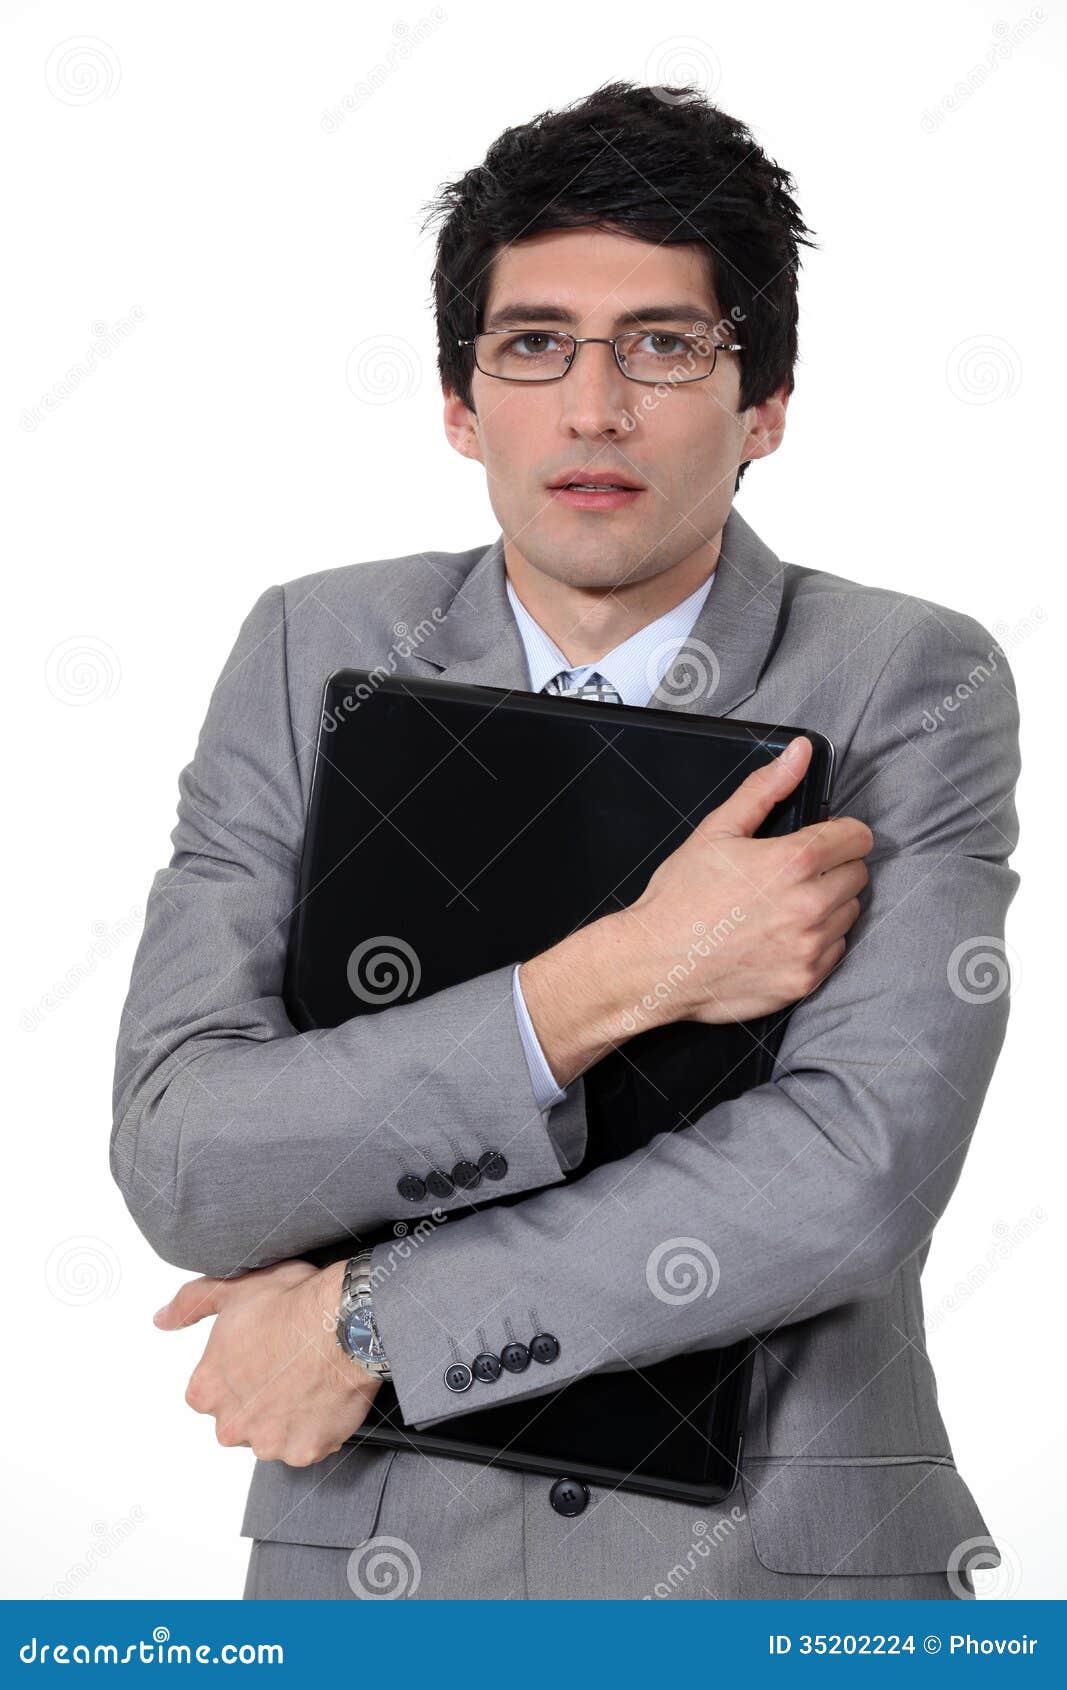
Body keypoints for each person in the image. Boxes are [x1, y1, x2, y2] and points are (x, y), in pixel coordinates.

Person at [111, 82, 1020, 1600]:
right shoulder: (309, 648)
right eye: (535, 346)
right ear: (463, 403)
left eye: (664, 346)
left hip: (776, 1575)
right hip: (378, 1571)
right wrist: (622, 974)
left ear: (767, 404)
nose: (594, 408)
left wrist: (366, 1316)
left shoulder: (905, 681)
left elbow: (846, 1177)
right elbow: (189, 1154)